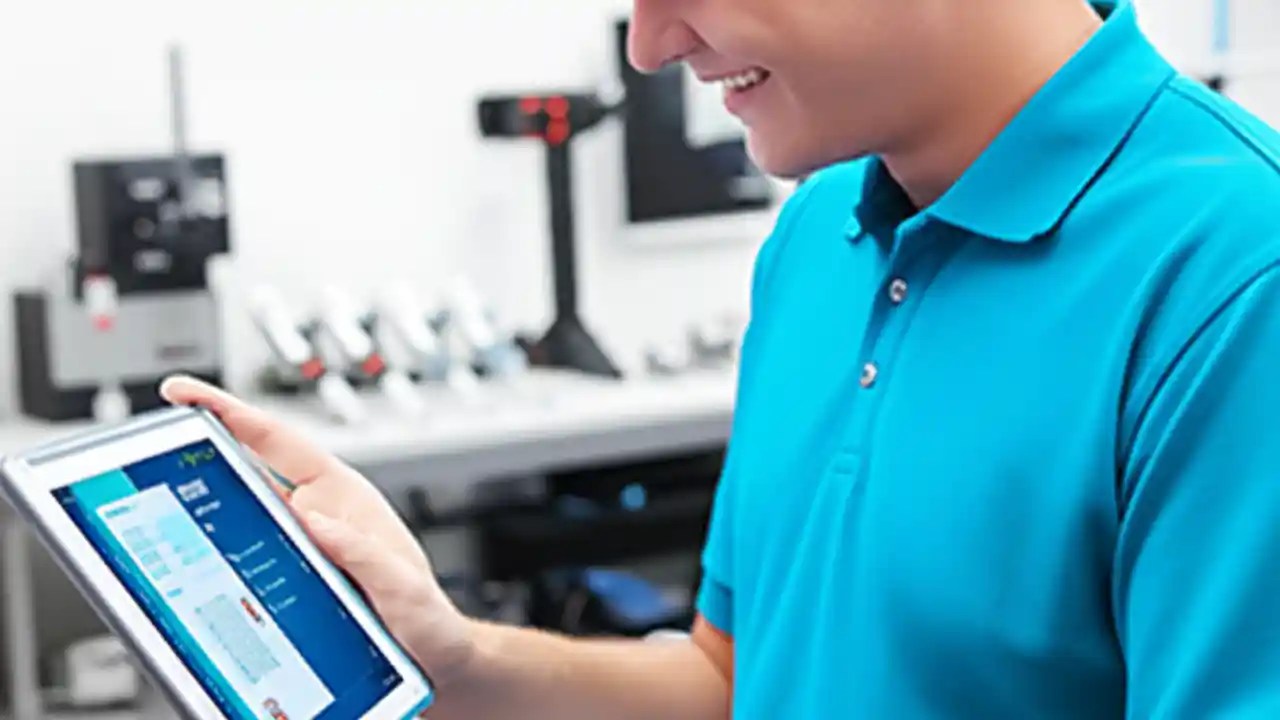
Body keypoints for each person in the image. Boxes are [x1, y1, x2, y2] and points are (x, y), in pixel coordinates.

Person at [163, 0, 1280, 716]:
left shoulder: (1235, 276)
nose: (650, 46)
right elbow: (728, 681)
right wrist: (453, 658)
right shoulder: (819, 231)